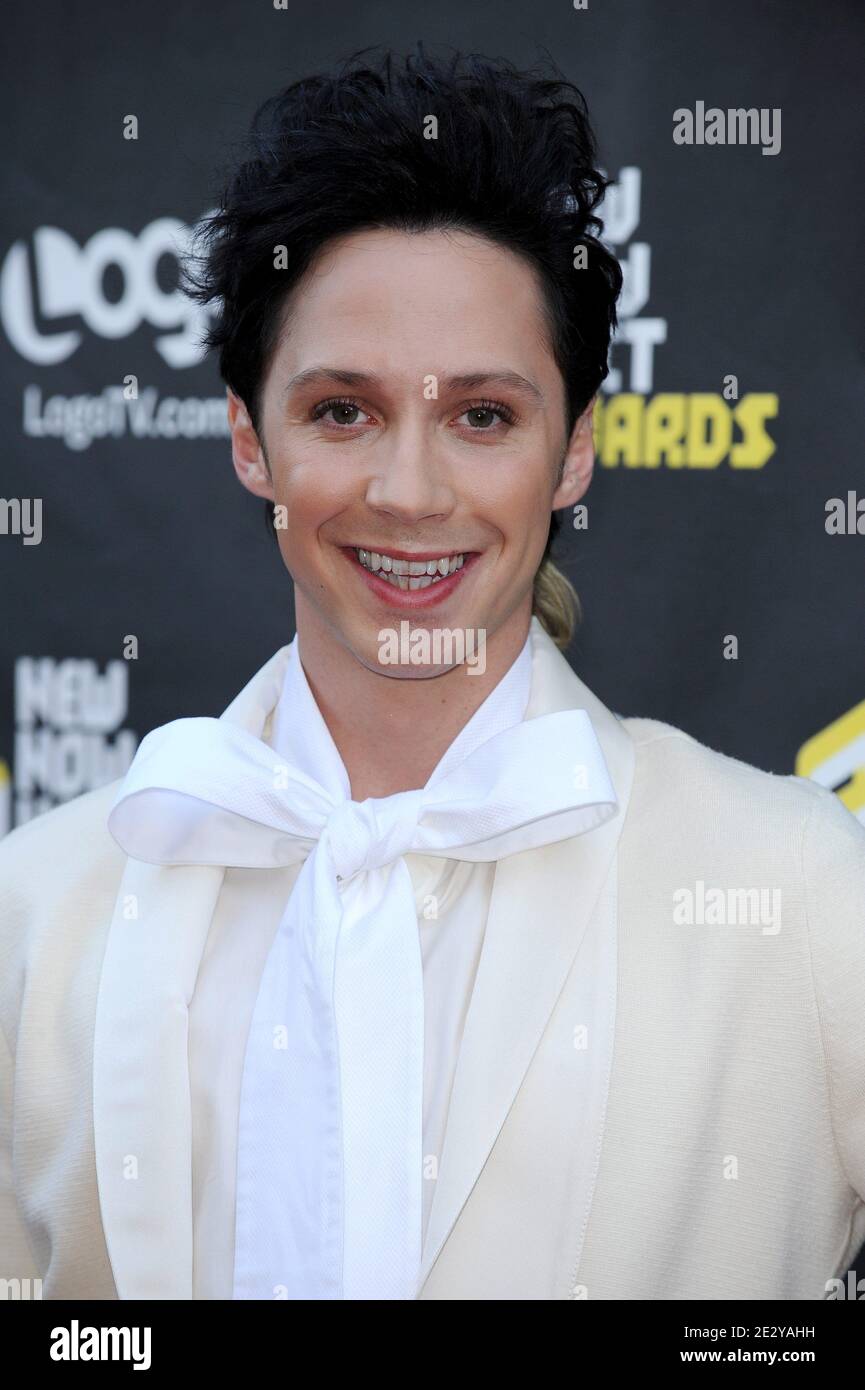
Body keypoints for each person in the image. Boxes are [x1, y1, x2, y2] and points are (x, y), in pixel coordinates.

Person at [2, 45, 863, 1303]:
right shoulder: (38, 909)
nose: (408, 493)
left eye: (482, 416)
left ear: (572, 452)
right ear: (251, 441)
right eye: (342, 410)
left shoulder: (801, 895)